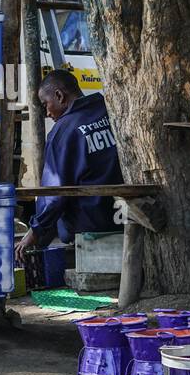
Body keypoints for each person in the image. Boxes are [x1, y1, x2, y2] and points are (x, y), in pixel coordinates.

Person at [14, 69, 123, 264]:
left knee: (54, 212)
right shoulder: (109, 109)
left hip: (93, 226)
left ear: (59, 96)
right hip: (125, 216)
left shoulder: (63, 132)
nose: (47, 113)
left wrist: (34, 231)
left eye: (46, 104)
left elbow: (54, 194)